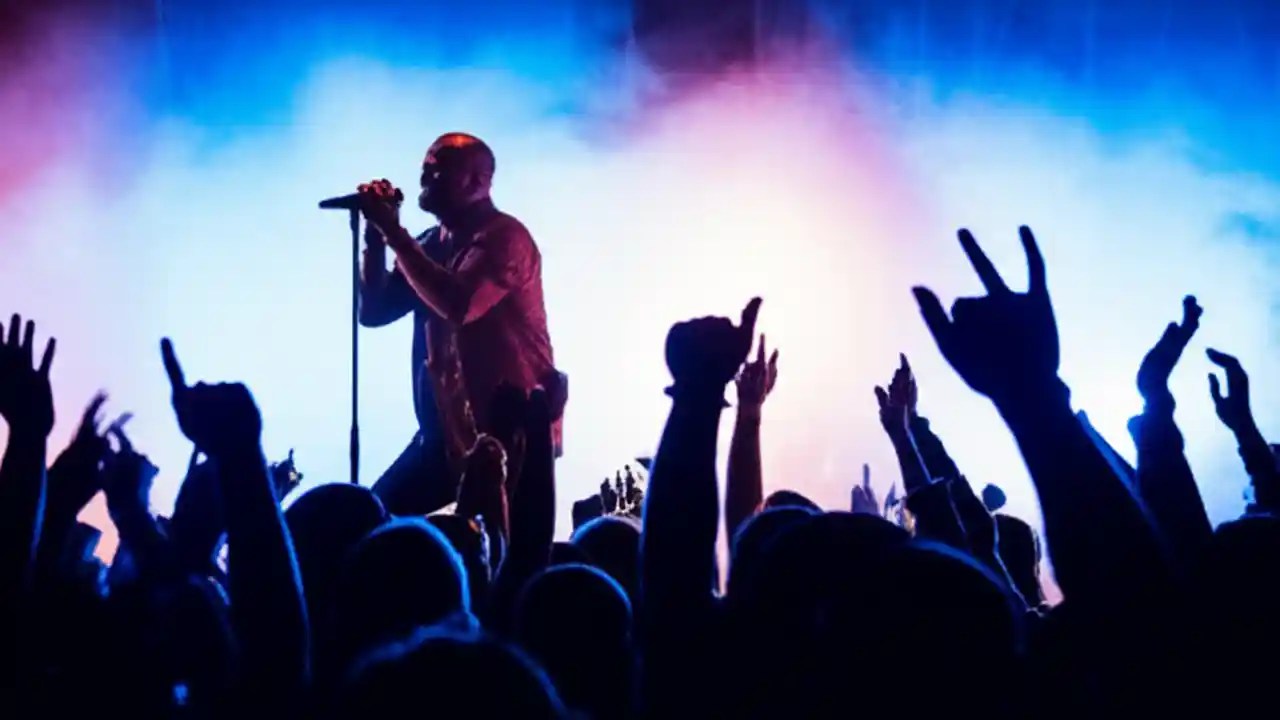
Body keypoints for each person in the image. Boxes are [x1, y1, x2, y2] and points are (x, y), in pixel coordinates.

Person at [355, 132, 561, 516]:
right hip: (444, 435)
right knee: (369, 518)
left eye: (439, 170)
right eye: (425, 169)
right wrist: (376, 240)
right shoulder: (431, 243)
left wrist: (395, 235)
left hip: (506, 433)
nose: (424, 177)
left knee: (505, 554)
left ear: (478, 181)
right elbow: (375, 311)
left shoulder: (504, 238)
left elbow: (459, 304)